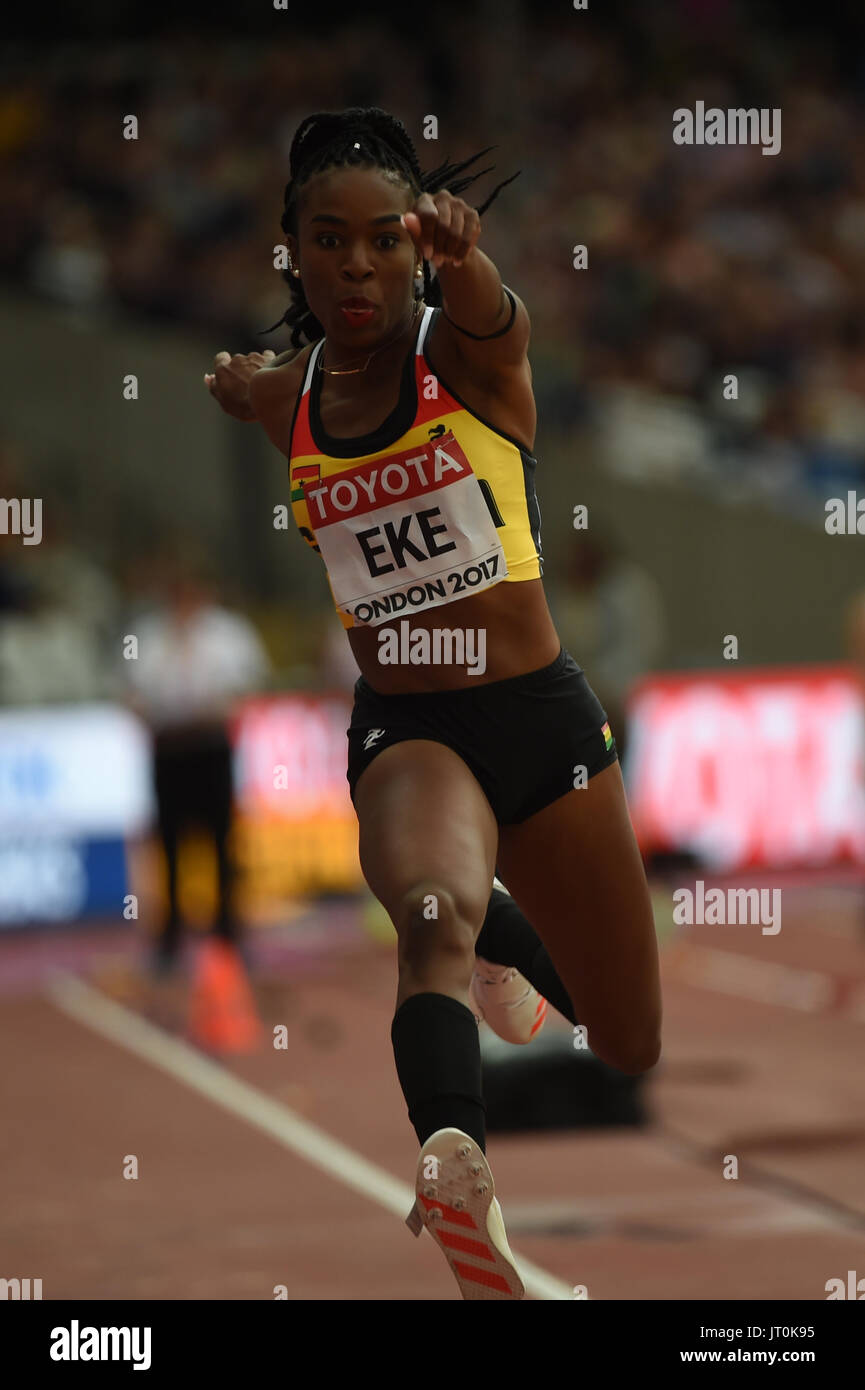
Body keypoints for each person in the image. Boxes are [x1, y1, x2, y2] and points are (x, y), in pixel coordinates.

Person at [205, 106, 662, 1300]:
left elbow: (490, 310)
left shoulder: (464, 352)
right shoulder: (282, 398)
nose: (357, 264)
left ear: (415, 248)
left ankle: (511, 943)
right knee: (424, 918)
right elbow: (253, 393)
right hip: (410, 725)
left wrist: (469, 258)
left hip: (540, 719)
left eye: (383, 242)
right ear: (293, 249)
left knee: (626, 1040)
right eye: (329, 240)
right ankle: (455, 1162)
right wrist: (237, 384)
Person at [121, 553, 270, 975]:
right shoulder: (146, 637)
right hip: (168, 750)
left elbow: (248, 685)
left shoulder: (229, 634)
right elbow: (130, 694)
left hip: (211, 748)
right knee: (169, 847)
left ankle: (228, 935)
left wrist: (215, 709)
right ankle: (168, 941)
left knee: (222, 844)